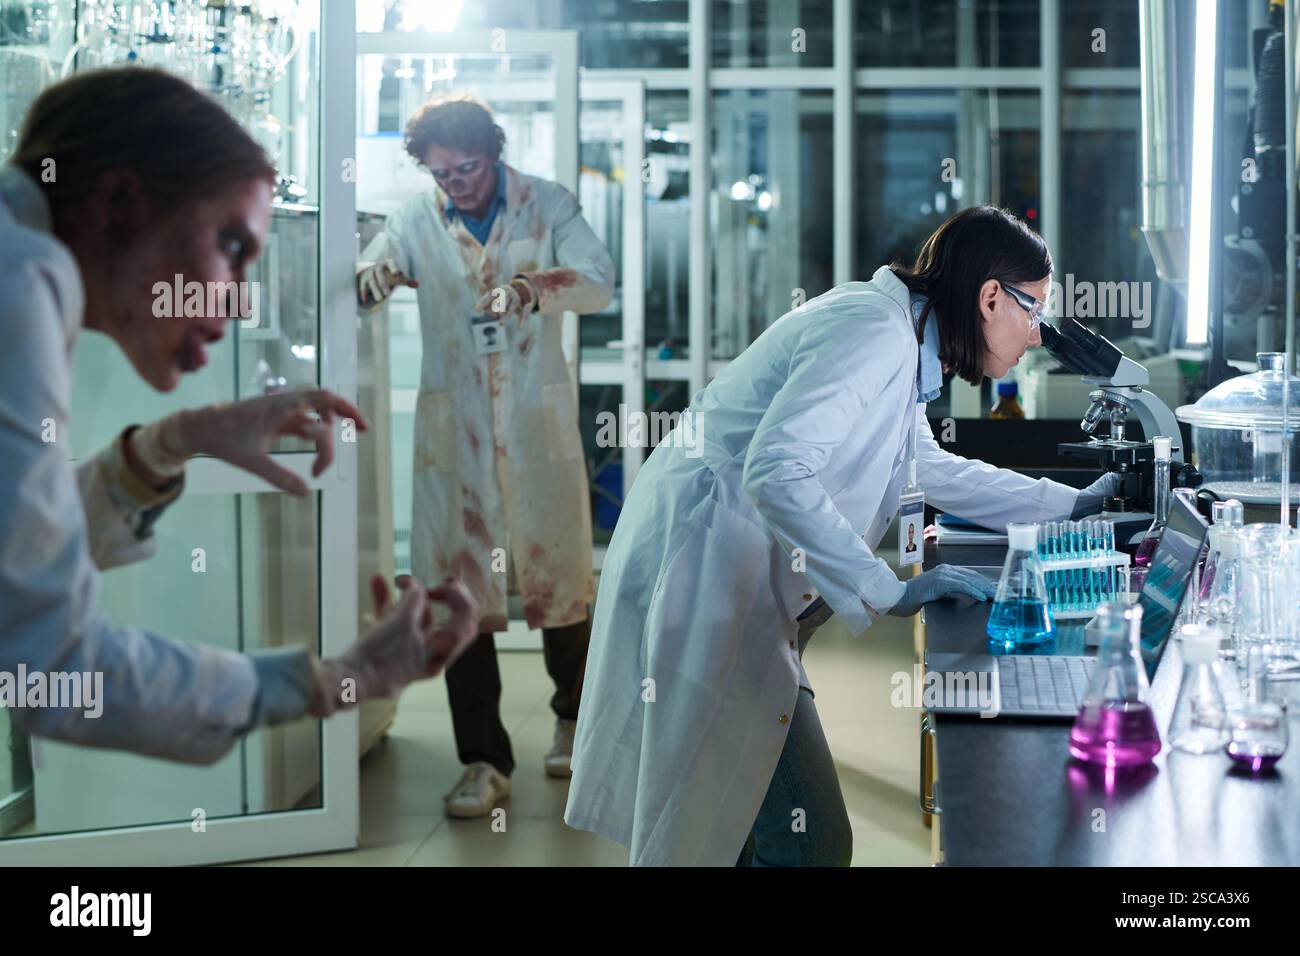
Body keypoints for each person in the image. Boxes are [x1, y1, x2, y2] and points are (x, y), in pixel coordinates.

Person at [565, 206, 1119, 866]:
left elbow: (930, 466)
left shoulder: (904, 337)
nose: (1034, 336)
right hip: (704, 570)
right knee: (807, 840)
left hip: (736, 578)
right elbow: (776, 467)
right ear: (991, 295)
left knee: (737, 820)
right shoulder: (875, 332)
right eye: (1033, 312)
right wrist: (884, 588)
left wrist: (1072, 506)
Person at [0, 68, 479, 765]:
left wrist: (172, 443)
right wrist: (335, 680)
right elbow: (55, 671)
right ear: (120, 202)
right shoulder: (22, 282)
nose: (237, 299)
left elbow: (14, 555)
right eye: (230, 246)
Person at [355, 94, 615, 818]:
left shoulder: (549, 205)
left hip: (535, 429)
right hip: (455, 441)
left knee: (559, 581)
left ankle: (573, 715)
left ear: (493, 155)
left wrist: (534, 287)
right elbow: (376, 264)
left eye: (466, 168)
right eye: (441, 174)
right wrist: (372, 277)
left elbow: (598, 278)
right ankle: (483, 760)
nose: (457, 184)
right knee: (457, 600)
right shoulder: (416, 218)